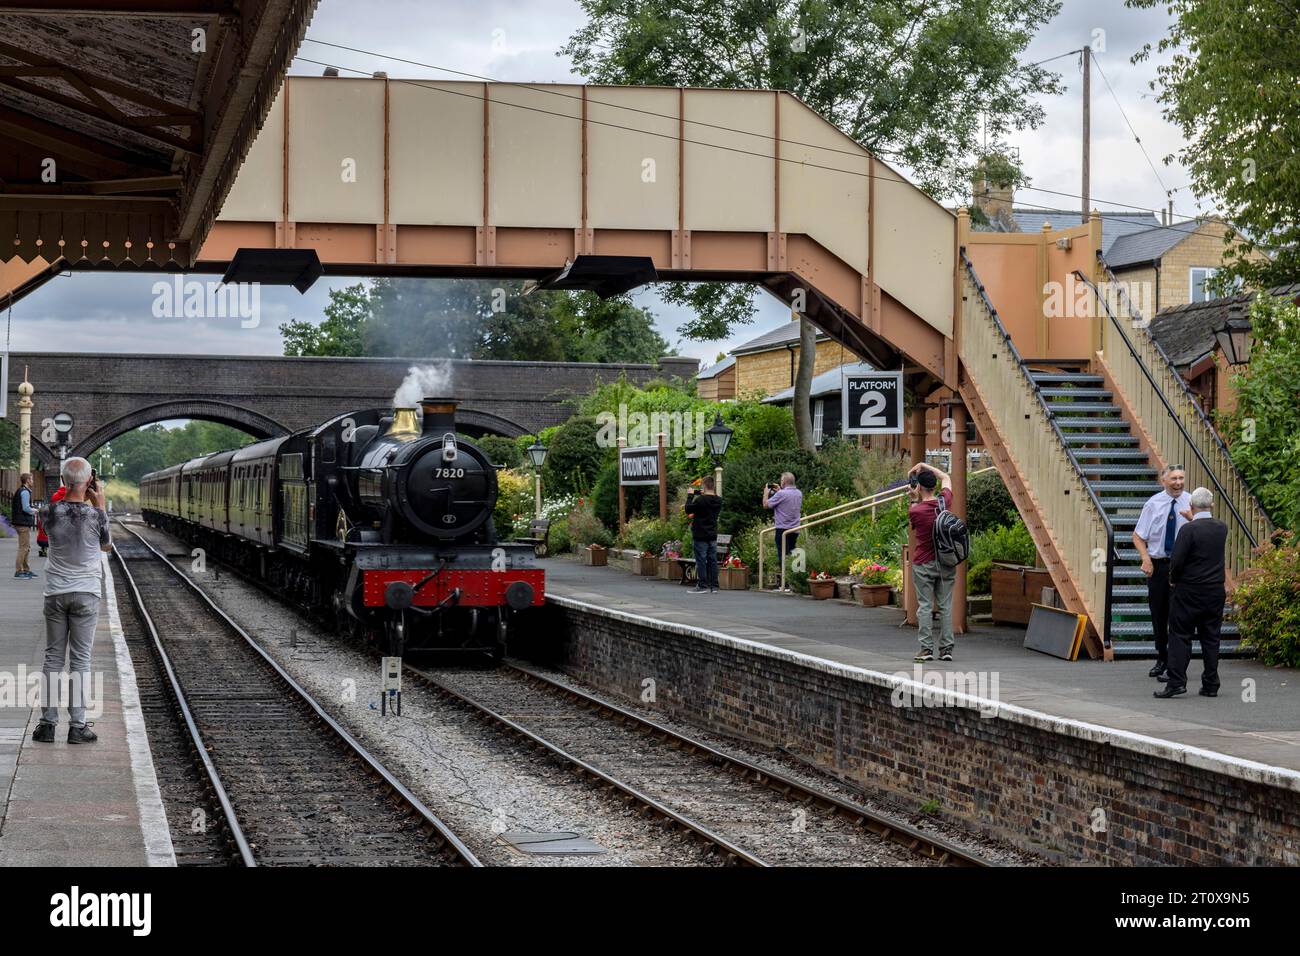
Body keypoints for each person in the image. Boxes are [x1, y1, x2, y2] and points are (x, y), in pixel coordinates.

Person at [32, 457, 111, 745]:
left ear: (63, 481)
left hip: (55, 593)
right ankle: (77, 726)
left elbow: (48, 534)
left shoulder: (48, 512)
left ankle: (47, 725)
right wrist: (99, 503)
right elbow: (106, 544)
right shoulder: (96, 515)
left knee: (53, 657)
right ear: (90, 481)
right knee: (81, 660)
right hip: (86, 593)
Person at [1155, 487, 1229, 700]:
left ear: (1191, 506)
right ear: (1212, 505)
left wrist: (1173, 579)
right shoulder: (1221, 528)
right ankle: (1211, 683)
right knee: (1211, 637)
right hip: (1215, 589)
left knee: (1180, 635)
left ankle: (1177, 682)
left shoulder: (1188, 530)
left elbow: (1177, 561)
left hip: (1189, 590)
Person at [1132, 465, 1191, 680]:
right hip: (1159, 566)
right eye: (1174, 478)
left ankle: (1178, 663)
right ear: (1163, 480)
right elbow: (1138, 536)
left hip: (1183, 567)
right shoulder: (1153, 504)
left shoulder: (1191, 502)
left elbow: (1203, 529)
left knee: (1180, 616)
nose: (1178, 483)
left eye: (1181, 478)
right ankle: (1162, 658)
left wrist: (1193, 519)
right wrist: (1146, 558)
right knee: (1159, 614)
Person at [907, 461, 955, 662]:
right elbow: (946, 477)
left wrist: (912, 498)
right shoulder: (944, 502)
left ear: (918, 487)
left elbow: (913, 526)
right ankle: (946, 650)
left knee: (925, 606)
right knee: (945, 606)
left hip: (923, 563)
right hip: (945, 562)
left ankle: (926, 649)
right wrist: (924, 465)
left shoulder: (915, 510)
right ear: (934, 487)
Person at [763, 472, 803, 591]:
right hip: (794, 529)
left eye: (781, 480)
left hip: (782, 529)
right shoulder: (799, 493)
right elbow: (787, 500)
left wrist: (766, 493)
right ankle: (792, 583)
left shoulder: (781, 494)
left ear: (784, 482)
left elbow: (766, 505)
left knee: (782, 556)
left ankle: (785, 584)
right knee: (790, 554)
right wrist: (780, 490)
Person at [684, 477, 723, 593]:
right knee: (713, 560)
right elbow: (710, 499)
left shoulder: (700, 500)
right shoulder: (719, 500)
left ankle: (702, 585)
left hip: (700, 534)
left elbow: (688, 509)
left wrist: (690, 495)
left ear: (704, 486)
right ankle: (714, 586)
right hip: (712, 534)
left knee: (701, 560)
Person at [10, 472, 36, 579]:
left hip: (21, 522)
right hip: (22, 523)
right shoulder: (25, 492)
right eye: (32, 479)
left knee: (26, 547)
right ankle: (18, 571)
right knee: (23, 547)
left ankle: (25, 569)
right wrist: (36, 510)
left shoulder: (23, 491)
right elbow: (26, 508)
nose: (33, 481)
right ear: (27, 481)